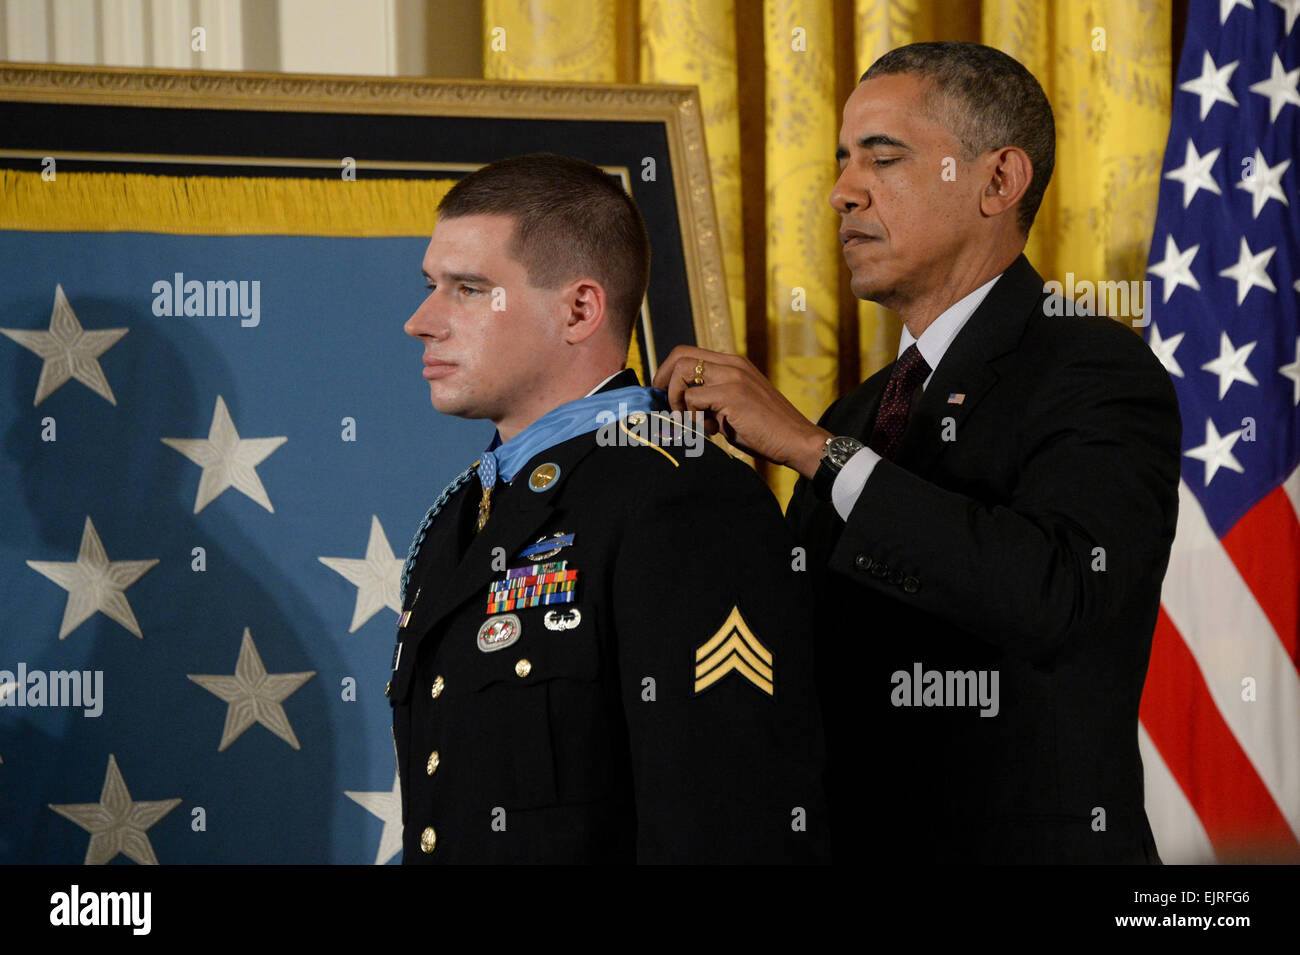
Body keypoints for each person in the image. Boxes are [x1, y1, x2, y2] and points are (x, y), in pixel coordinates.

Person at [654, 42, 1181, 864]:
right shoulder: (859, 412)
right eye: (840, 160)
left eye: (883, 158)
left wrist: (808, 447)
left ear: (998, 182)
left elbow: (1057, 594)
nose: (841, 192)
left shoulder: (1094, 369)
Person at [390, 153, 829, 864]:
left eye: (468, 289)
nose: (420, 320)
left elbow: (727, 824)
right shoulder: (462, 512)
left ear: (579, 309)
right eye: (431, 286)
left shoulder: (679, 498)